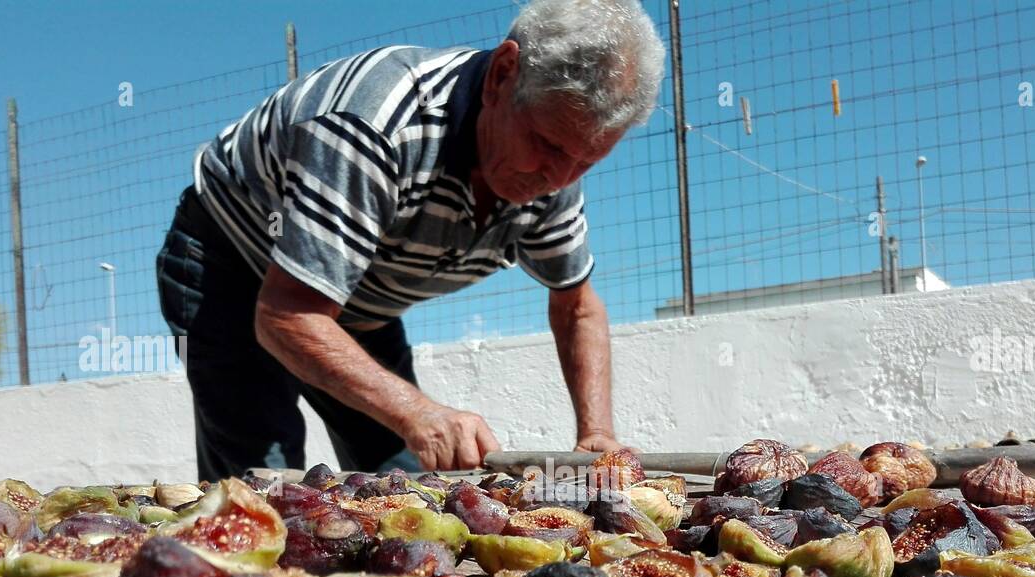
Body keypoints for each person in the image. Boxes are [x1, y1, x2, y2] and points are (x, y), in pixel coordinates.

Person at [156, 0, 665, 479]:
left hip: (356, 305)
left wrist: (597, 434)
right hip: (234, 272)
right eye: (547, 144)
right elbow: (288, 315)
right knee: (266, 480)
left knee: (408, 486)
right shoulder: (372, 124)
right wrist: (419, 411)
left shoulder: (556, 171)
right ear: (503, 74)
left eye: (587, 160)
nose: (558, 178)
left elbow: (577, 307)